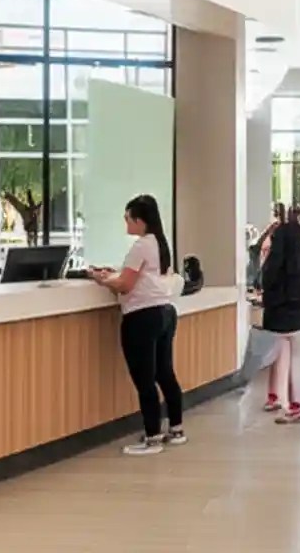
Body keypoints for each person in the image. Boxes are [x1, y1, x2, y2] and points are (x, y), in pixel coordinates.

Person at [92, 194, 186, 456]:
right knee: (164, 373)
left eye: (128, 218)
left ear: (139, 220)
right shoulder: (159, 243)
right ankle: (175, 429)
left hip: (142, 316)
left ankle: (152, 437)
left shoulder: (140, 245)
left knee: (144, 379)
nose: (125, 223)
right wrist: (115, 276)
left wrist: (101, 279)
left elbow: (125, 285)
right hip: (165, 312)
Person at [260, 216, 300, 424]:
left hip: (277, 321)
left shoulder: (272, 264)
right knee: (298, 362)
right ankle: (295, 407)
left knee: (279, 359)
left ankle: (274, 397)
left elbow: (263, 288)